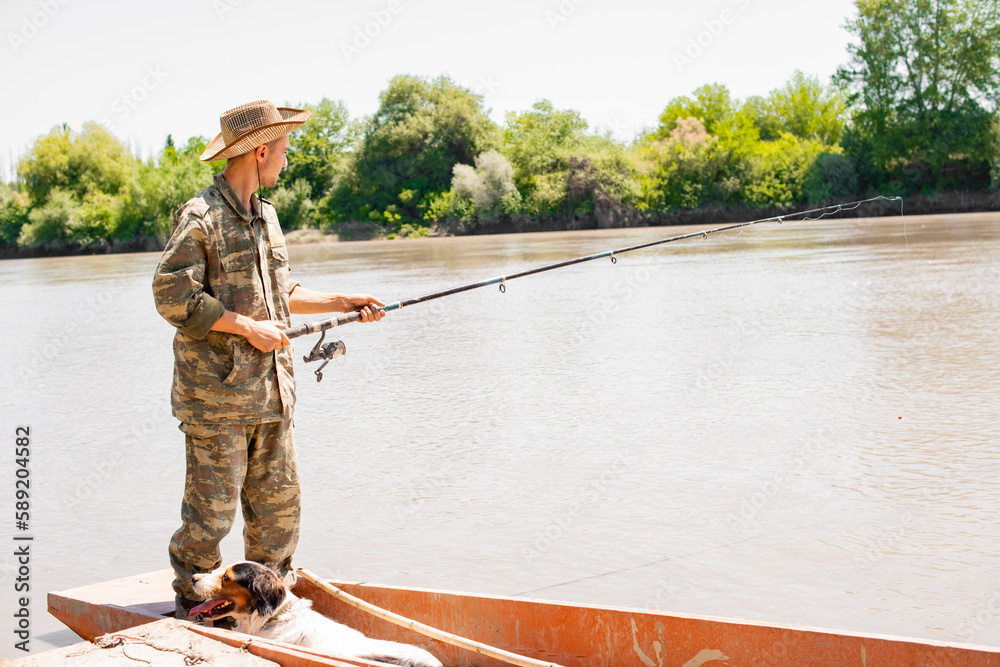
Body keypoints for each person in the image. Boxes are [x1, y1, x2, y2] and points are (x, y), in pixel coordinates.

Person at [152, 100, 385, 619]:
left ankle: (269, 610)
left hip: (273, 396)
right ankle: (195, 610)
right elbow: (171, 295)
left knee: (280, 515)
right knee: (208, 523)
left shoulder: (268, 217)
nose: (286, 161)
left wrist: (343, 302)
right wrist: (246, 327)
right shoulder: (201, 217)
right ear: (260, 151)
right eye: (283, 151)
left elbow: (281, 293)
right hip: (217, 401)